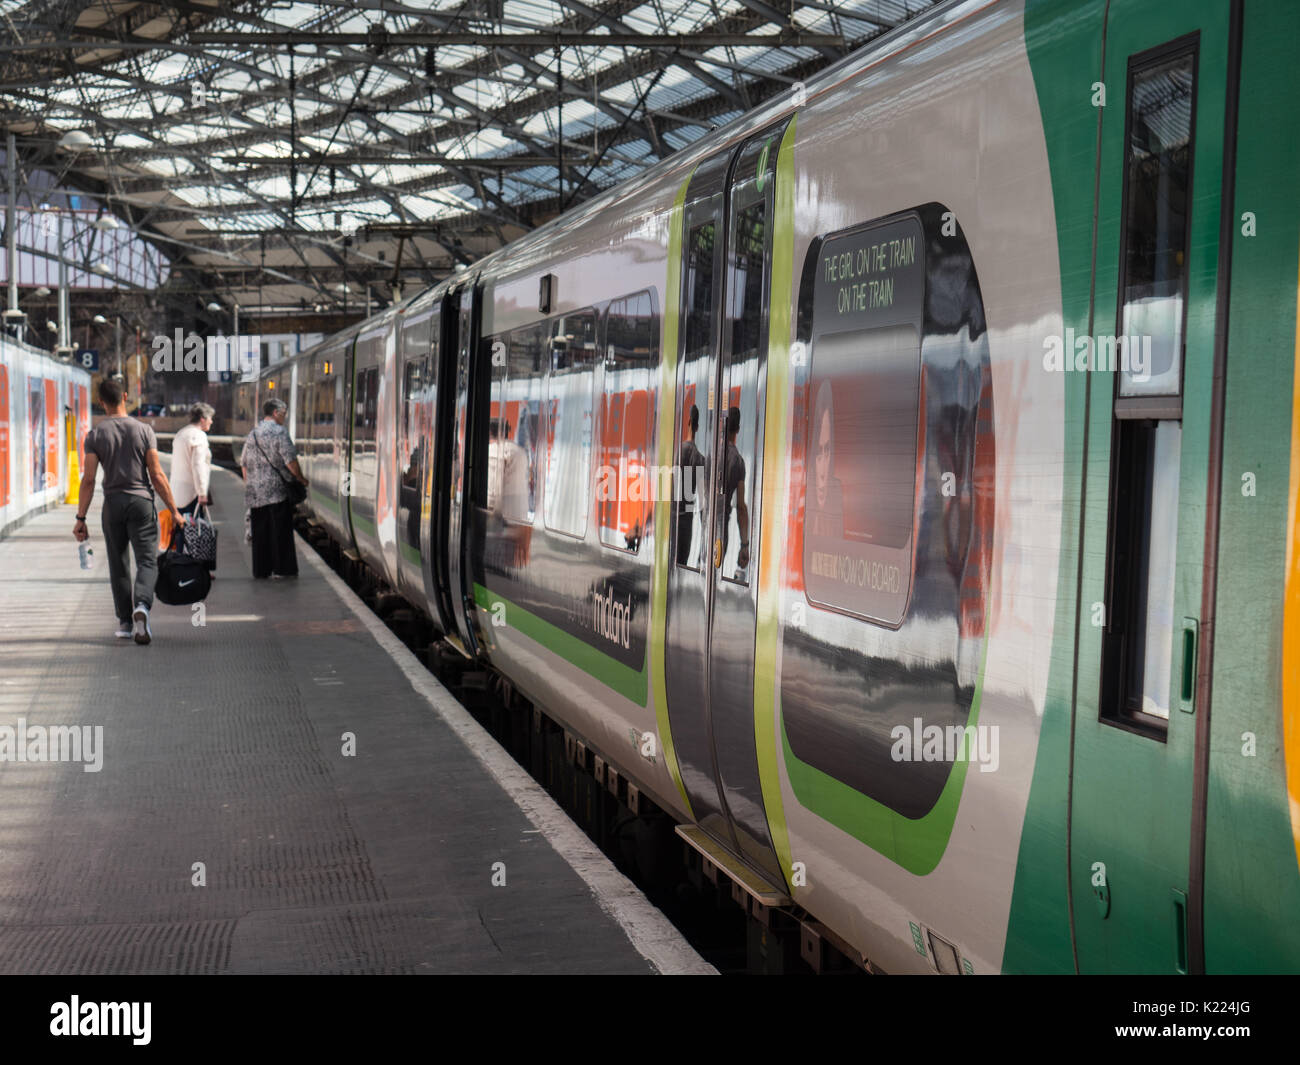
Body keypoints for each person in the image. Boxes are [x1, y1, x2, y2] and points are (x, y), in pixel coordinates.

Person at [74, 377, 185, 644]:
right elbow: (157, 474)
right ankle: (142, 606)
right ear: (126, 397)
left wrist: (80, 517)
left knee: (118, 562)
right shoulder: (144, 431)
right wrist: (175, 510)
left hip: (113, 504)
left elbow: (88, 480)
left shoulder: (95, 435)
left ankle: (124, 622)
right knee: (147, 560)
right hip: (141, 502)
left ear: (101, 403)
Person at [241, 398, 308, 579]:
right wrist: (300, 478)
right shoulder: (280, 432)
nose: (284, 418)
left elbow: (244, 463)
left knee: (260, 531)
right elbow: (290, 461)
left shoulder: (253, 434)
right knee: (280, 531)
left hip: (255, 493)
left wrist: (251, 483)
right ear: (276, 413)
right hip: (277, 491)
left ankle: (261, 570)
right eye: (283, 414)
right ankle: (282, 569)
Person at [170, 402, 214, 518]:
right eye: (210, 418)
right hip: (191, 494)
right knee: (193, 532)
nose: (211, 421)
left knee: (181, 531)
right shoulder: (199, 436)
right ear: (202, 419)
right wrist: (202, 493)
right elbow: (198, 465)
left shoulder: (181, 433)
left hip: (176, 493)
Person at [675, 403, 706, 567]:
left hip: (672, 519)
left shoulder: (676, 452)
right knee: (681, 565)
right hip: (686, 523)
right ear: (698, 427)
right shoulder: (700, 459)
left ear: (688, 422)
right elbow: (702, 501)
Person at [721, 406, 750, 572]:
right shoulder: (738, 462)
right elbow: (740, 506)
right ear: (738, 429)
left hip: (706, 527)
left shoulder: (710, 456)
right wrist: (744, 544)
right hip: (721, 529)